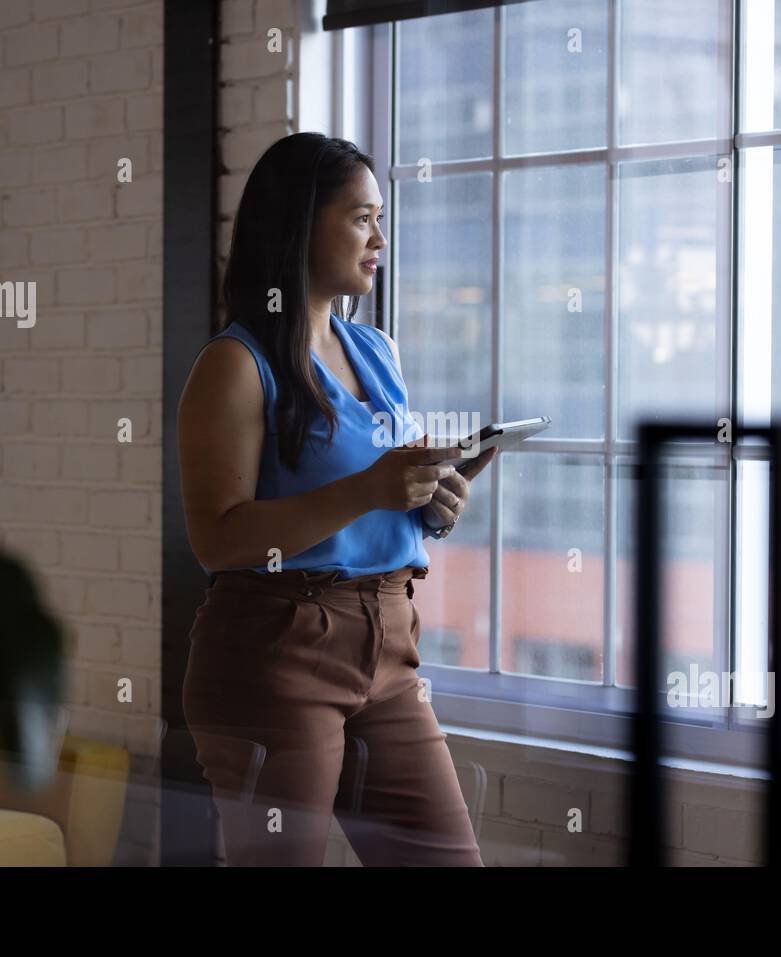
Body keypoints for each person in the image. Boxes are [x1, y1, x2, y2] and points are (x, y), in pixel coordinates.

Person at [178, 132, 497, 866]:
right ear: (298, 224)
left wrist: (430, 502)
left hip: (389, 640)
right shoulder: (234, 365)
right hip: (275, 649)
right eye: (360, 217)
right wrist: (371, 487)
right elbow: (218, 540)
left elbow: (377, 499)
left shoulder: (376, 351)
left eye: (380, 217)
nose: (379, 236)